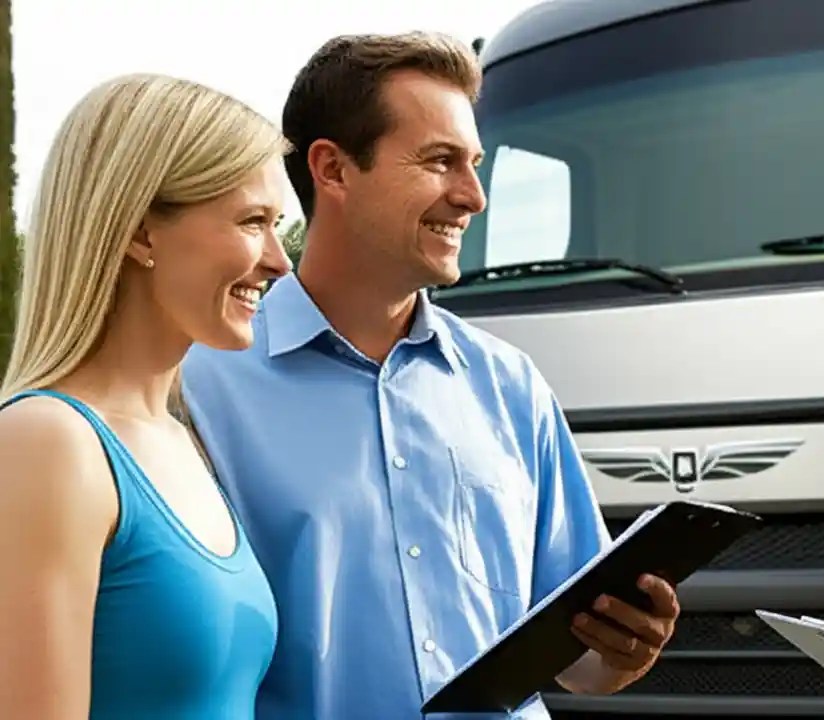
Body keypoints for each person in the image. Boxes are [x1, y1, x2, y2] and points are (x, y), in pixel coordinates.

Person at [178, 31, 680, 719]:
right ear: (332, 169)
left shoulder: (512, 387)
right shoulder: (199, 386)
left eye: (474, 164)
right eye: (441, 162)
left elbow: (579, 663)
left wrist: (622, 653)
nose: (474, 197)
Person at [0, 73, 292, 718]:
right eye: (253, 222)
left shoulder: (180, 439)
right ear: (140, 232)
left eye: (277, 225)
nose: (280, 260)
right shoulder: (48, 443)